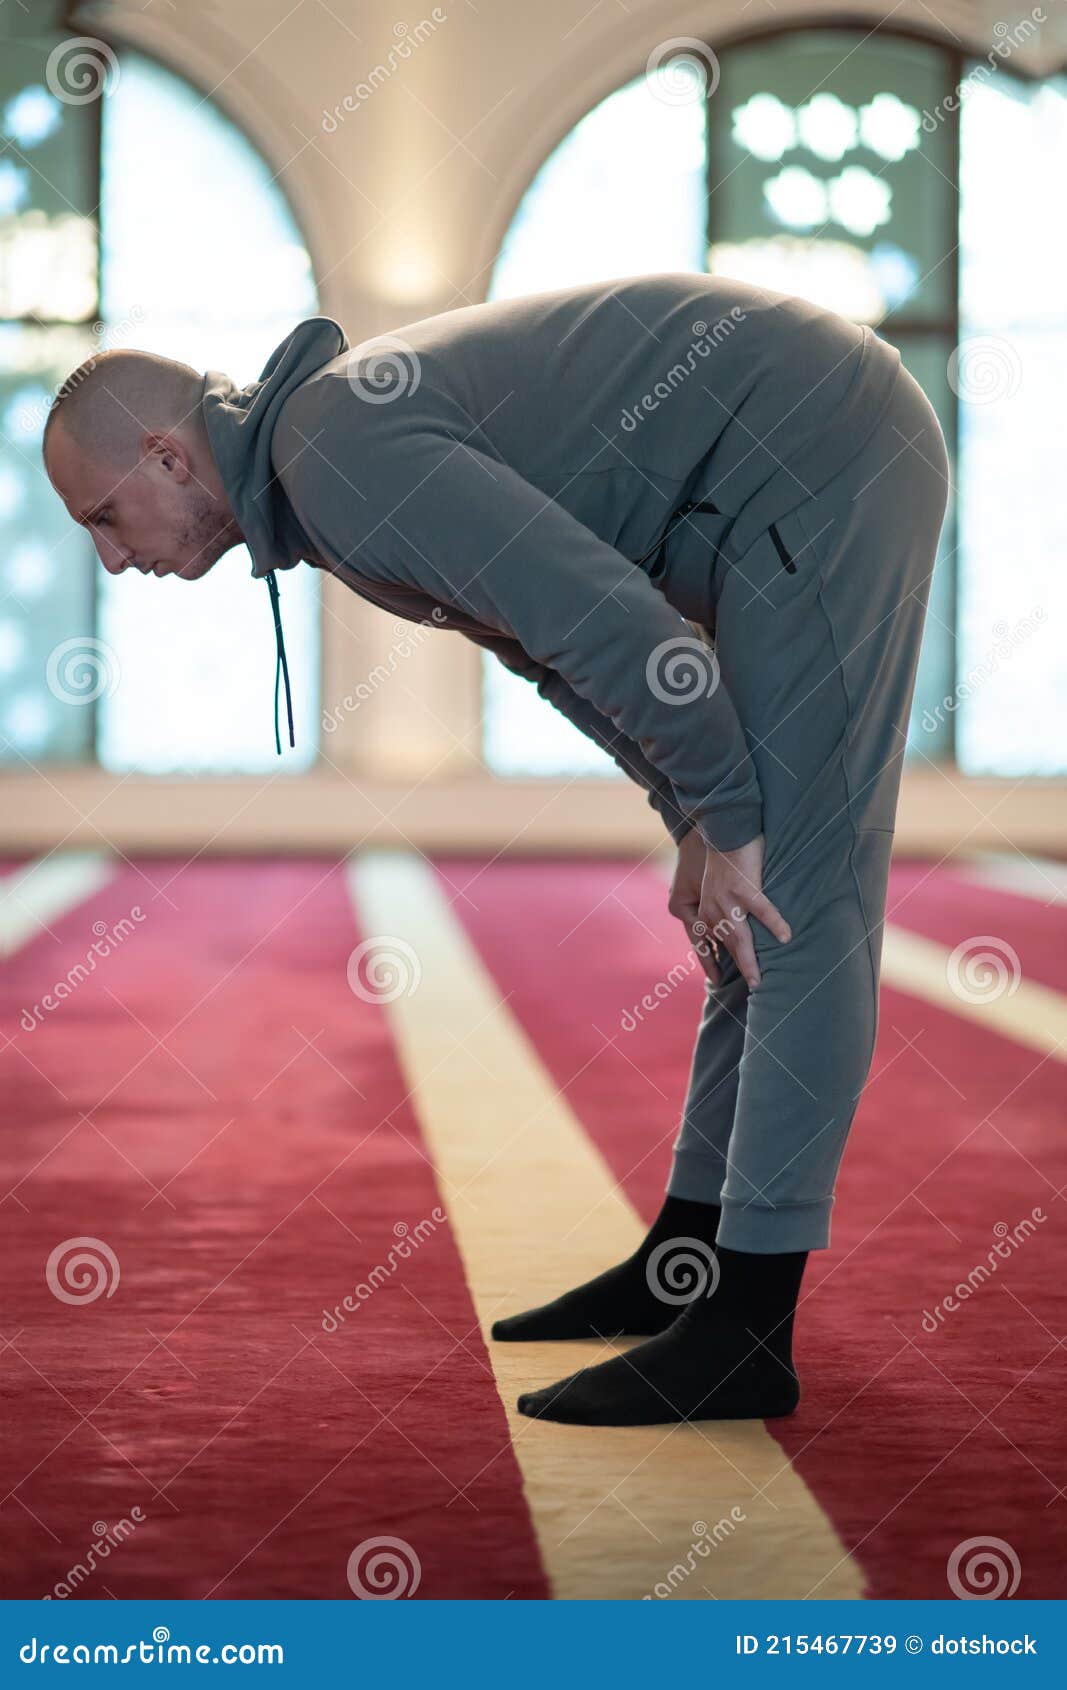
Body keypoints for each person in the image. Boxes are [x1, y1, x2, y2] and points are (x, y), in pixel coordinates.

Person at [42, 272, 950, 1426]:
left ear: (171, 458)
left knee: (793, 898)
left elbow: (609, 623)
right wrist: (692, 817)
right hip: (756, 471)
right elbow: (552, 654)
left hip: (820, 448)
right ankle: (687, 1266)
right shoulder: (321, 472)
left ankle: (744, 1332)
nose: (113, 563)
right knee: (740, 904)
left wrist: (726, 807)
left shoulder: (332, 455)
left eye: (103, 519)